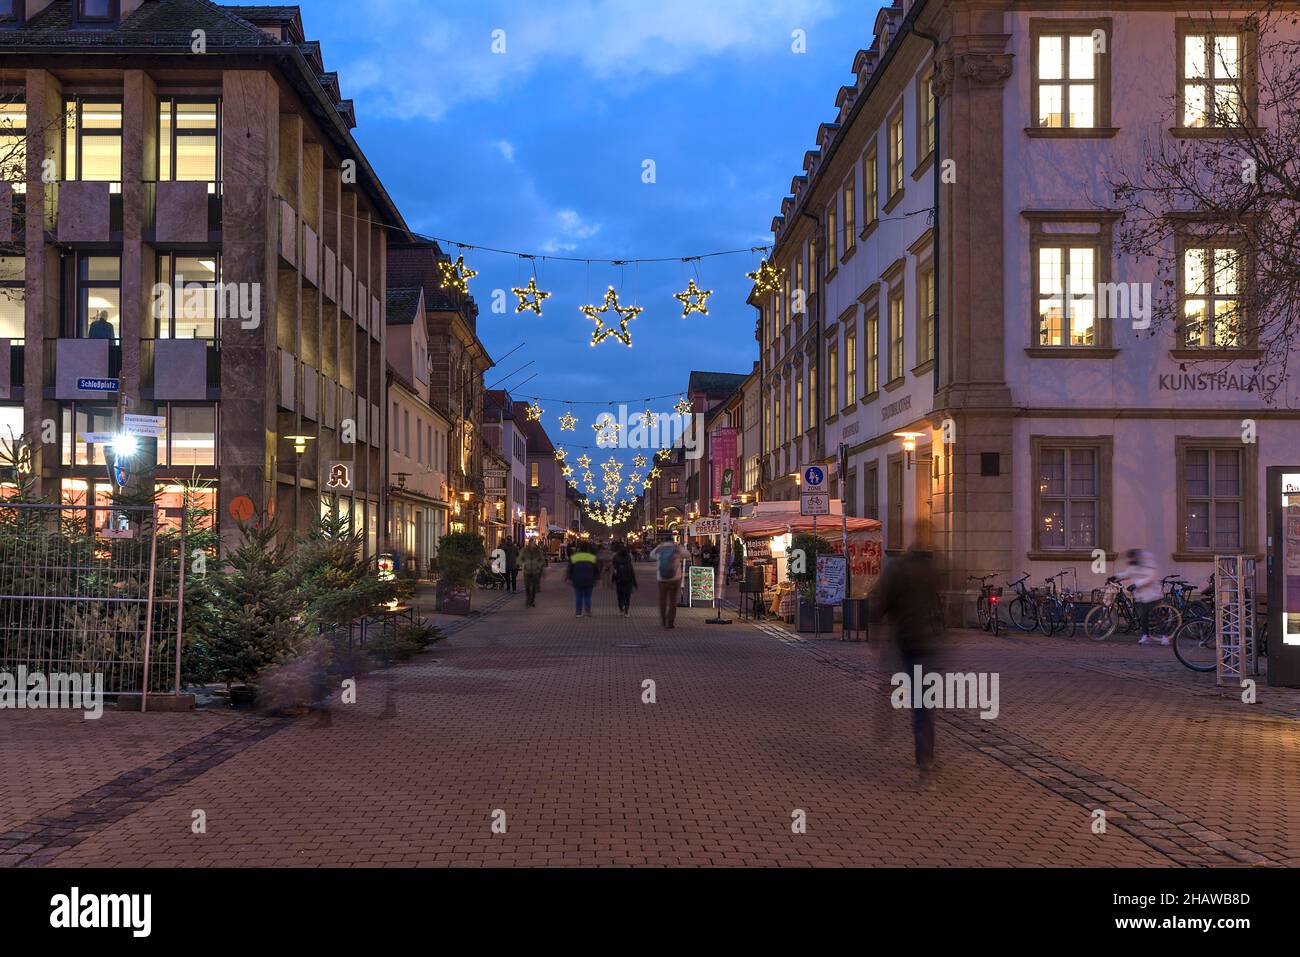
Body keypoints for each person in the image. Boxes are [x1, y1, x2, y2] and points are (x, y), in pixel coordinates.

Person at [869, 531, 945, 790]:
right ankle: (926, 763)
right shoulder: (934, 571)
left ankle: (923, 760)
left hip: (906, 642)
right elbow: (941, 608)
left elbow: (878, 602)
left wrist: (875, 636)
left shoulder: (898, 570)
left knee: (919, 703)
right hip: (929, 645)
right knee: (925, 706)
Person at [1117, 548, 1164, 644]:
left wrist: (1136, 585)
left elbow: (1151, 578)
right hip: (1142, 596)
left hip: (1153, 595)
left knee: (1155, 616)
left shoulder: (1148, 564)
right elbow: (1127, 573)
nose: (1130, 560)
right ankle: (1145, 636)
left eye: (1132, 557)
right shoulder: (1134, 565)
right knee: (1143, 617)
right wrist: (1115, 576)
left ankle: (1164, 636)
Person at [649, 538, 689, 629]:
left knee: (662, 600)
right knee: (672, 601)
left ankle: (663, 621)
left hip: (662, 578)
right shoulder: (676, 547)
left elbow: (651, 555)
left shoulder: (660, 548)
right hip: (675, 578)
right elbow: (687, 554)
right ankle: (670, 622)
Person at [566, 540, 599, 617]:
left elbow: (570, 568)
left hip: (577, 579)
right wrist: (597, 578)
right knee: (587, 596)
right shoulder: (592, 557)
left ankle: (578, 613)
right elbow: (596, 569)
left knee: (578, 596)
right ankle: (588, 611)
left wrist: (569, 577)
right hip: (589, 579)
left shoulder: (574, 557)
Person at [612, 542, 638, 617]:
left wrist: (613, 580)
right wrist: (635, 583)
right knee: (627, 596)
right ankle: (626, 611)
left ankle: (621, 609)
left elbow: (615, 569)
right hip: (628, 580)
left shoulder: (616, 557)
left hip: (619, 579)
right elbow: (631, 571)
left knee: (620, 595)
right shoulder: (629, 557)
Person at [520, 540, 546, 607]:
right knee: (527, 587)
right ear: (529, 544)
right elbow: (519, 559)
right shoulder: (524, 550)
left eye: (533, 544)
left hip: (535, 571)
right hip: (527, 571)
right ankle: (528, 600)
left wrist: (539, 565)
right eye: (531, 544)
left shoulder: (537, 551)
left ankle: (532, 601)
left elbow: (542, 559)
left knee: (534, 587)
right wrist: (523, 564)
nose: (532, 545)